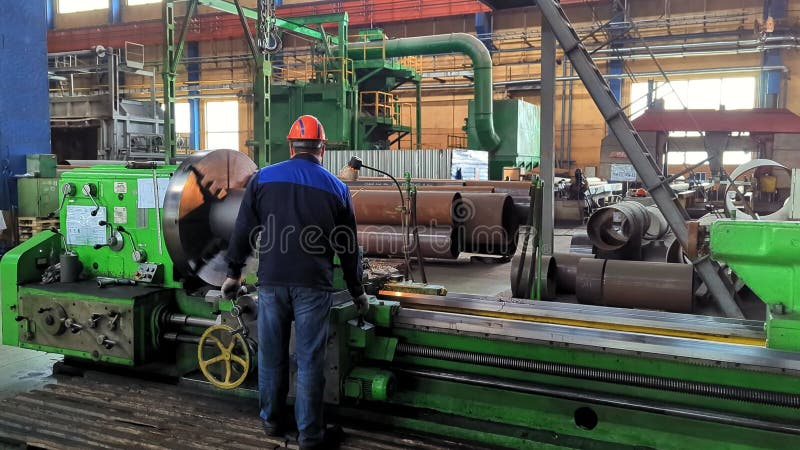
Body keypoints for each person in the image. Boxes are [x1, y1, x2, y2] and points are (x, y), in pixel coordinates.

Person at [223, 115, 368, 450]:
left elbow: (243, 229)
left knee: (272, 356)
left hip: (271, 283)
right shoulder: (337, 187)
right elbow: (348, 248)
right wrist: (357, 291)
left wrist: (233, 274)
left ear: (290, 146)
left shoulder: (263, 178)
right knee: (308, 361)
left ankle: (272, 423)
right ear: (323, 148)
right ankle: (310, 436)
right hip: (314, 287)